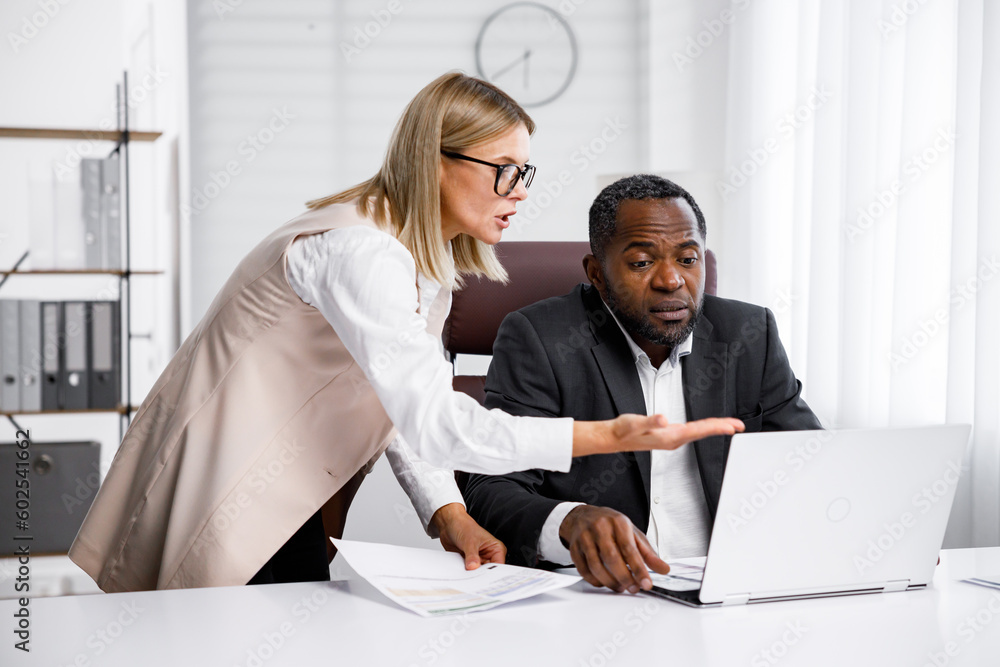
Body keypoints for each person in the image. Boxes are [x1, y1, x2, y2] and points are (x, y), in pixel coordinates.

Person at [69, 76, 744, 593]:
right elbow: (433, 420)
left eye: (525, 171)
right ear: (434, 159)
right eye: (503, 170)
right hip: (231, 484)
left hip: (289, 496)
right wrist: (607, 432)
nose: (520, 190)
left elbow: (396, 401)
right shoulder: (361, 252)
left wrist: (446, 511)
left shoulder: (418, 260)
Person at [462, 174, 822, 595]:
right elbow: (491, 486)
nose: (671, 280)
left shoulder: (749, 332)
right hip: (600, 595)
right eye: (641, 262)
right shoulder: (540, 338)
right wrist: (570, 519)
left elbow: (809, 462)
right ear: (597, 273)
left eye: (688, 259)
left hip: (727, 586)